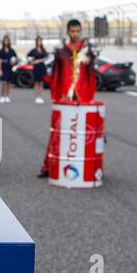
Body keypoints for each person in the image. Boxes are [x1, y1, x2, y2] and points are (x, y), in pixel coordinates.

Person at [38, 19, 98, 178]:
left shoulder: (87, 51)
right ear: (68, 32)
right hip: (64, 96)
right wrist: (56, 96)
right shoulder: (60, 52)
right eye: (72, 31)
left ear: (81, 31)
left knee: (85, 133)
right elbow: (56, 76)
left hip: (83, 96)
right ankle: (49, 166)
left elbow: (91, 76)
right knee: (58, 131)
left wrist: (90, 96)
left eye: (78, 31)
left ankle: (87, 166)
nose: (75, 34)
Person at [0, 35, 18, 103]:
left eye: (7, 40)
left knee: (8, 83)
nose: (6, 42)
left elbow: (15, 59)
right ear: (3, 41)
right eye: (5, 40)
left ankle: (7, 96)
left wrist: (13, 62)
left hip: (9, 67)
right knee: (4, 82)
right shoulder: (1, 51)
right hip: (4, 67)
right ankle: (2, 96)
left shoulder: (12, 50)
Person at [27, 36, 48, 104]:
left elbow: (46, 57)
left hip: (42, 67)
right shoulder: (34, 50)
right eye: (38, 41)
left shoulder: (43, 50)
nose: (39, 42)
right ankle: (36, 97)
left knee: (41, 83)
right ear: (36, 42)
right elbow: (28, 56)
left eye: (40, 41)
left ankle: (40, 97)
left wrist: (39, 60)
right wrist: (32, 61)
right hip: (36, 67)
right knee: (36, 82)